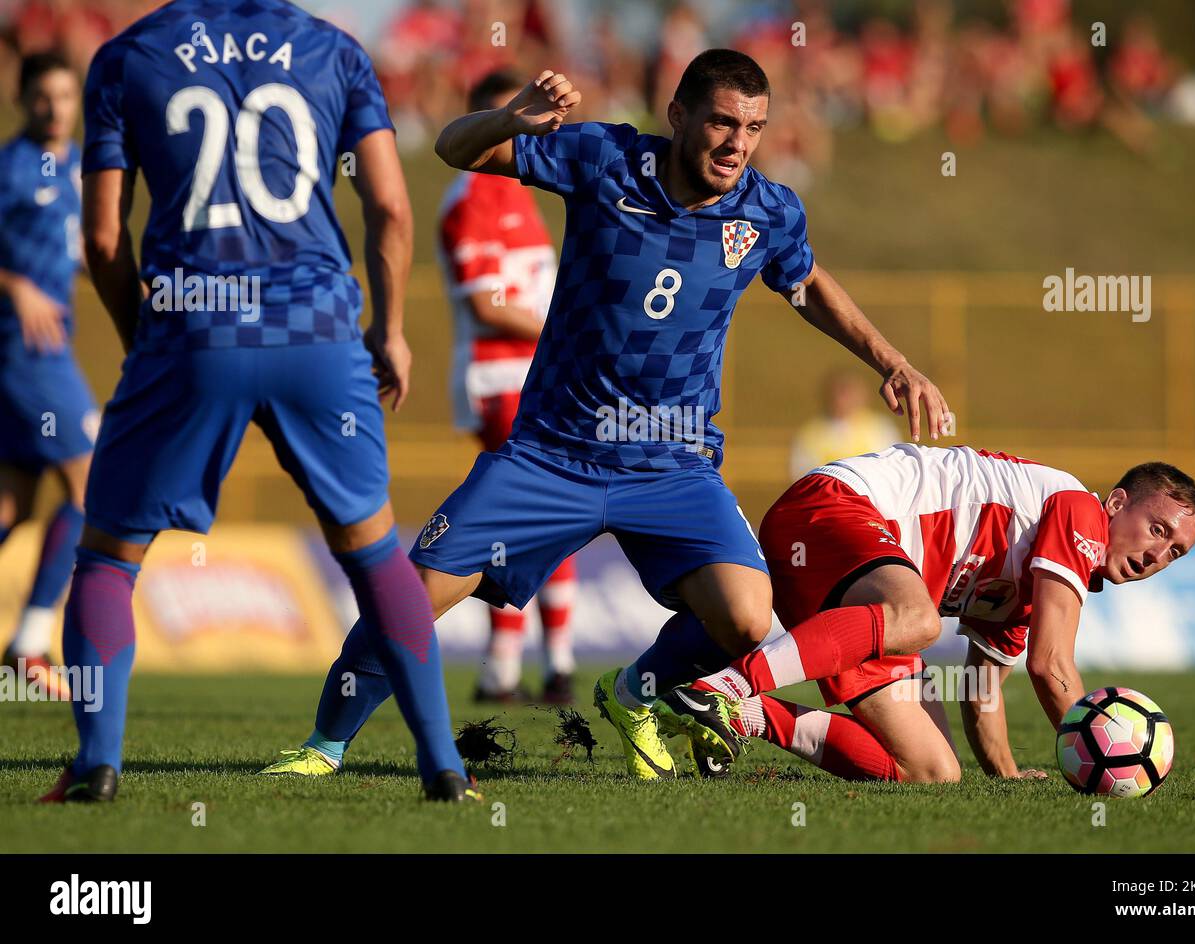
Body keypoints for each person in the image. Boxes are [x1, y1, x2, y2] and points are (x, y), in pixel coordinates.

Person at [265, 48, 948, 781]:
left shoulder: (767, 210)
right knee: (412, 599)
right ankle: (324, 746)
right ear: (679, 115)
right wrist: (506, 118)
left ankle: (634, 693)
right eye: (721, 121)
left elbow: (805, 282)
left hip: (672, 464)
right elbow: (452, 148)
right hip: (551, 456)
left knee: (749, 618)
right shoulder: (603, 157)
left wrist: (891, 361)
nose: (736, 143)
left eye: (753, 127)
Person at [44, 0, 471, 803]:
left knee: (107, 558)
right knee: (376, 554)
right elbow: (390, 208)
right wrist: (392, 329)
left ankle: (96, 764)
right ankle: (443, 767)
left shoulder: (129, 54)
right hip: (317, 333)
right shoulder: (336, 50)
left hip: (192, 326)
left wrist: (147, 337)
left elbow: (102, 239)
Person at [656, 447, 1195, 783]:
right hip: (833, 506)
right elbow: (1051, 667)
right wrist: (1107, 756)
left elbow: (981, 692)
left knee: (931, 772)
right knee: (919, 619)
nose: (1157, 554)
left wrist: (1006, 776)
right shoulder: (1077, 513)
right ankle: (721, 686)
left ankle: (744, 713)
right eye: (1158, 528)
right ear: (1117, 503)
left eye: (1175, 552)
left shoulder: (1031, 587)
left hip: (855, 586)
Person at [438, 69, 577, 705]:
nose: (521, 123)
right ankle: (502, 667)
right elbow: (487, 305)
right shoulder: (468, 198)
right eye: (506, 114)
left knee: (557, 509)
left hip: (538, 373)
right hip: (501, 374)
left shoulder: (520, 191)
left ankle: (555, 663)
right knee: (520, 511)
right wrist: (564, 331)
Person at [0, 53, 94, 702]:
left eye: (64, 95)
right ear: (21, 100)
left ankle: (24, 650)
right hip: (23, 349)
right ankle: (30, 643)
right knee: (93, 482)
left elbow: (81, 249)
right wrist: (16, 287)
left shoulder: (77, 167)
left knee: (13, 503)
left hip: (47, 349)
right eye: (42, 97)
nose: (55, 107)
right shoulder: (8, 167)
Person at [788, 369, 899, 480]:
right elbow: (801, 475)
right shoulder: (811, 433)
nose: (843, 400)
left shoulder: (879, 427)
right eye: (840, 393)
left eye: (848, 393)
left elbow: (891, 469)